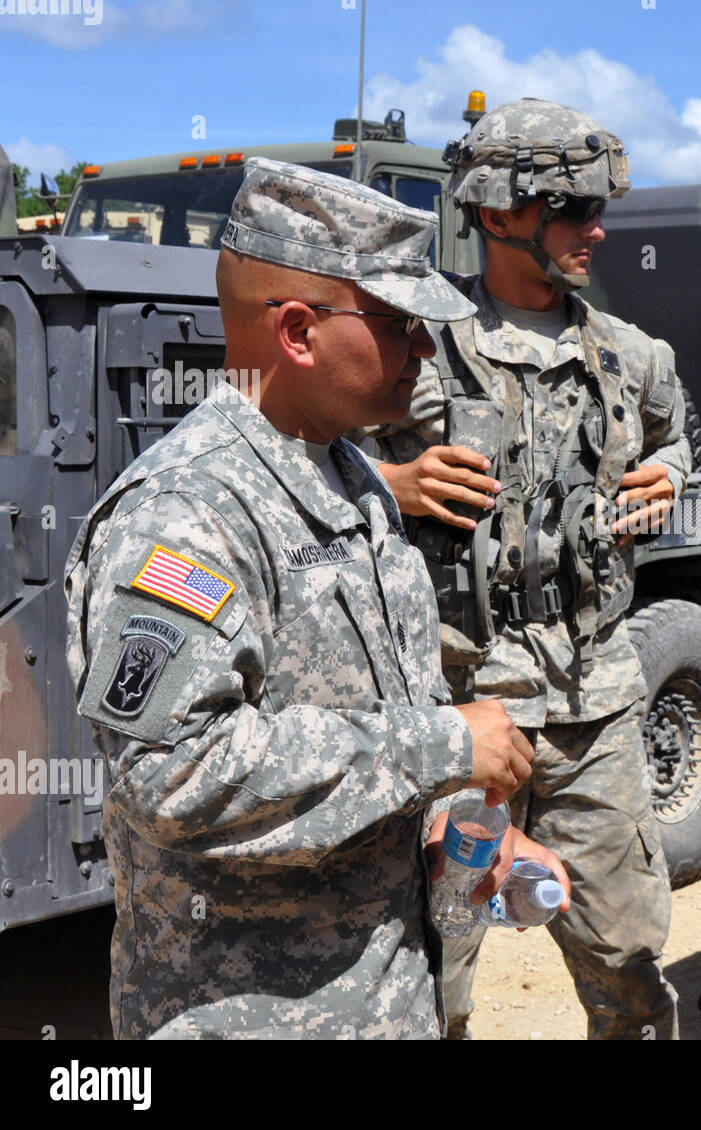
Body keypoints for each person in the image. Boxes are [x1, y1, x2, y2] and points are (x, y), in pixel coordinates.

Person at [63, 156, 565, 1039]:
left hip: (385, 999)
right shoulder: (187, 512)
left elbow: (377, 708)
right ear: (296, 331)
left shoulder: (355, 479)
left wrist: (451, 822)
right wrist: (442, 744)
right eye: (400, 324)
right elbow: (171, 774)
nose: (424, 351)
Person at [370, 99, 690, 1039]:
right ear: (502, 212)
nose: (598, 231)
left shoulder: (631, 356)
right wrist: (397, 481)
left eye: (601, 210)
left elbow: (683, 439)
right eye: (575, 209)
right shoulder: (412, 343)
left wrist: (668, 477)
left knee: (629, 961)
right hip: (457, 709)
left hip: (597, 703)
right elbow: (302, 471)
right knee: (436, 977)